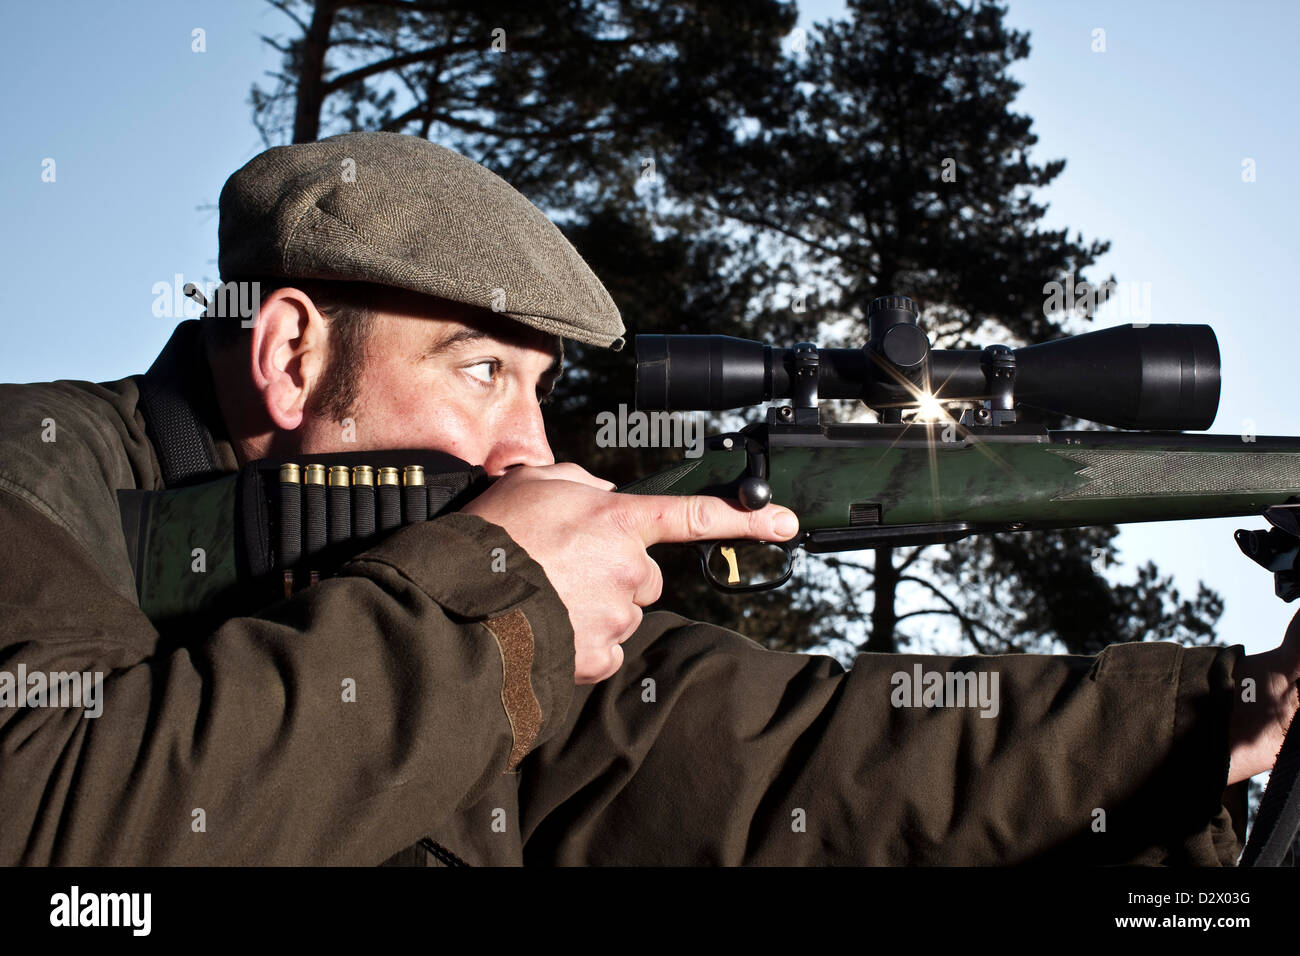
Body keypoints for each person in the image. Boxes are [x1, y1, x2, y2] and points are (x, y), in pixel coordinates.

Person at [0, 131, 1294, 866]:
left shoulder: (450, 597)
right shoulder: (43, 473)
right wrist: (499, 609)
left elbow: (808, 760)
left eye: (544, 392)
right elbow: (67, 835)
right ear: (288, 353)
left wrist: (1216, 718)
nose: (530, 451)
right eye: (483, 370)